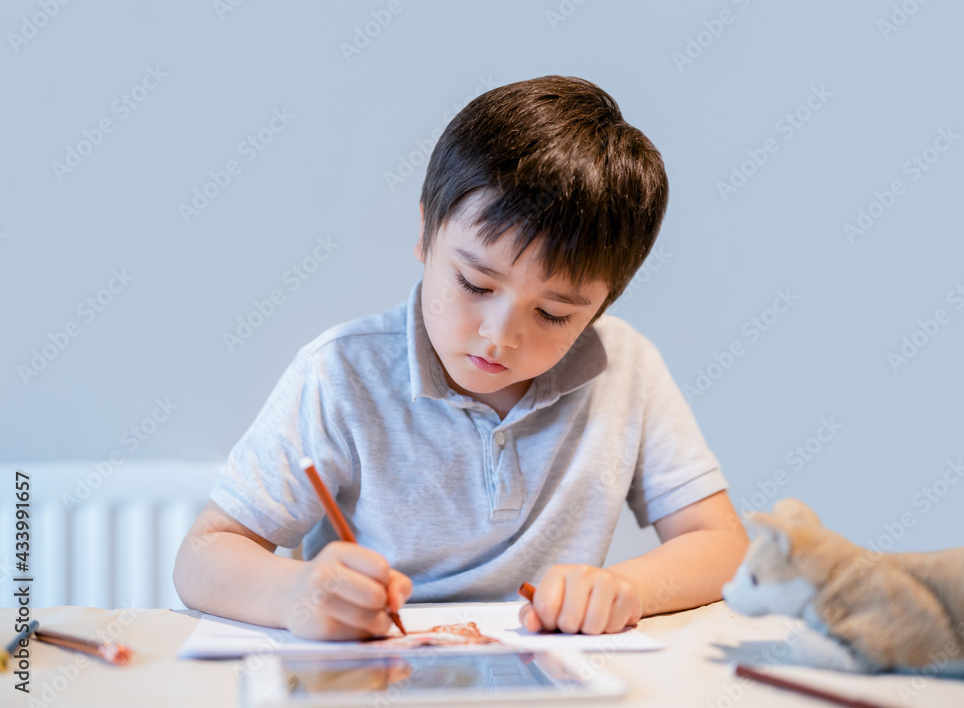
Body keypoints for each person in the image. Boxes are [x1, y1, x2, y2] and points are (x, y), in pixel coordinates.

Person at [173, 75, 749, 640]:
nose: (500, 337)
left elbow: (723, 544)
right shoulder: (340, 374)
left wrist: (625, 587)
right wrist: (295, 595)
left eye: (553, 315)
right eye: (475, 284)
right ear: (426, 234)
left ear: (601, 306)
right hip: (375, 672)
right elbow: (202, 559)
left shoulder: (628, 369)